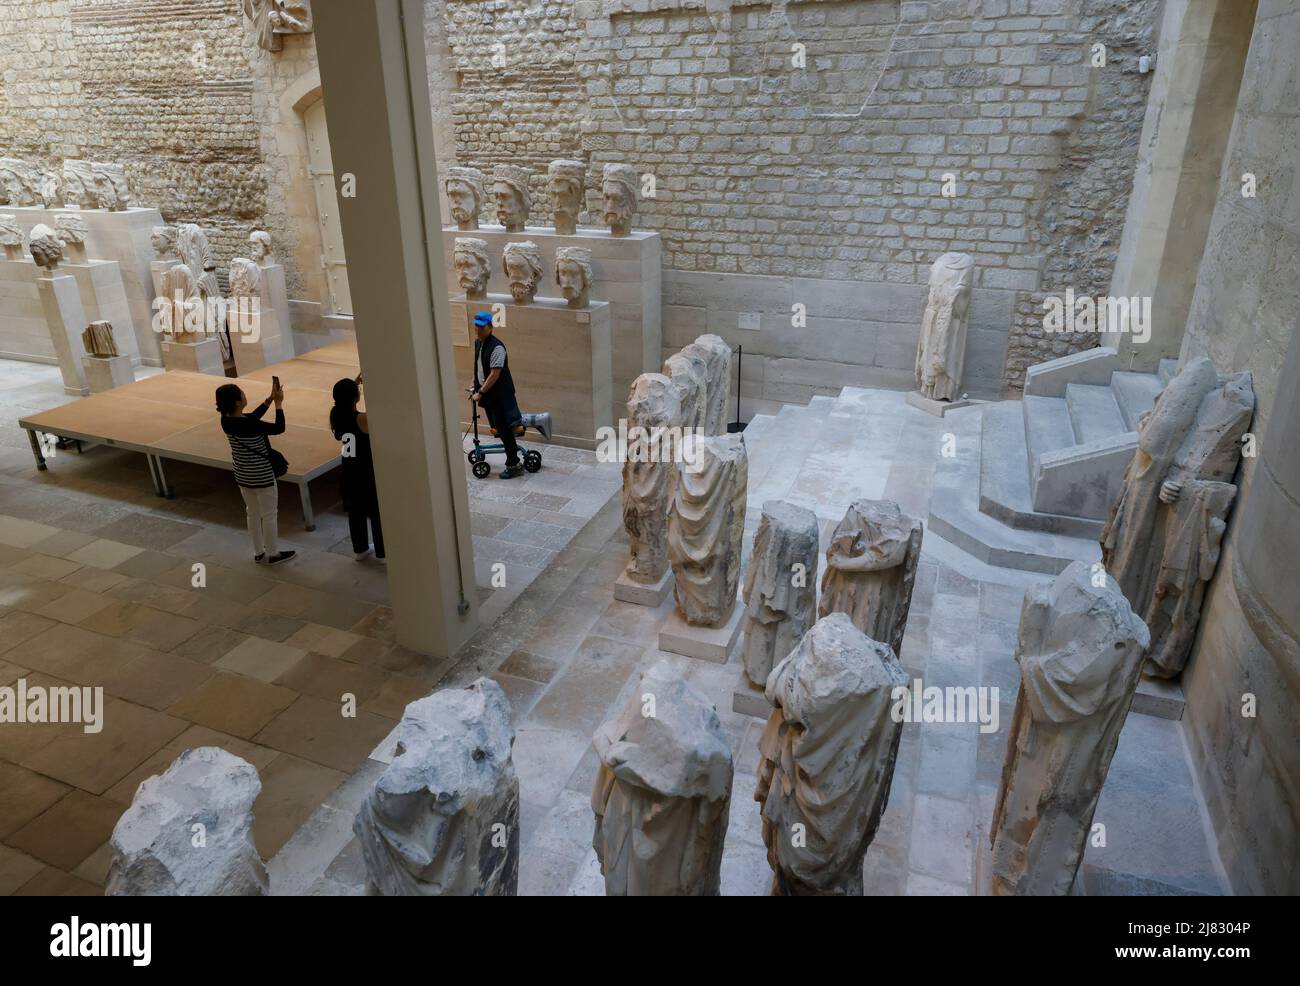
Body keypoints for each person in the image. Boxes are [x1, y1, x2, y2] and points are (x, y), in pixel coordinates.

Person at [216, 381, 295, 565]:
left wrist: (268, 400)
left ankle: (259, 552)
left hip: (243, 475)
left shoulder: (226, 420)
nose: (245, 395)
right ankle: (273, 554)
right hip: (262, 475)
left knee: (252, 513)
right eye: (242, 394)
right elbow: (279, 428)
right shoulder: (250, 425)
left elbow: (251, 418)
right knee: (269, 514)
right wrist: (279, 404)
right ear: (237, 402)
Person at [329, 374, 384, 561]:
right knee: (376, 511)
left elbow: (346, 398)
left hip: (348, 467)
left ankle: (359, 549)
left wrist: (355, 384)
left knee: (355, 510)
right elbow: (378, 413)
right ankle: (382, 551)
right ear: (355, 397)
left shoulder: (336, 414)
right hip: (365, 469)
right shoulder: (361, 419)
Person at [472, 311, 523, 479]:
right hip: (488, 396)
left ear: (490, 328)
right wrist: (474, 383)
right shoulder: (479, 343)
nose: (478, 330)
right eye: (476, 326)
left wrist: (480, 391)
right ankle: (511, 455)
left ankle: (514, 464)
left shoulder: (497, 348)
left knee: (505, 430)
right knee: (498, 429)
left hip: (500, 396)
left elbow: (494, 374)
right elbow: (480, 367)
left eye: (482, 327)